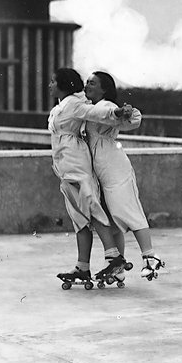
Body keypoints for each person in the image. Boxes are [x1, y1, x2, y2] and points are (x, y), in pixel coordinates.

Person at [49, 68, 130, 288]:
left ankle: (114, 257)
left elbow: (95, 113)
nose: (50, 85)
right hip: (65, 165)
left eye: (53, 81)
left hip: (76, 163)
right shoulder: (61, 106)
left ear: (63, 84)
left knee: (91, 208)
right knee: (79, 217)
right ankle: (82, 267)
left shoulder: (75, 104)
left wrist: (115, 115)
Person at [83, 71, 165, 281]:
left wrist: (120, 112)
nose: (87, 86)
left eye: (92, 83)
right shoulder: (93, 107)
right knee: (111, 217)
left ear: (104, 89)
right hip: (102, 169)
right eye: (87, 82)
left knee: (126, 209)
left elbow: (115, 115)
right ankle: (116, 266)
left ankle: (150, 256)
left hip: (114, 167)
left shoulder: (105, 106)